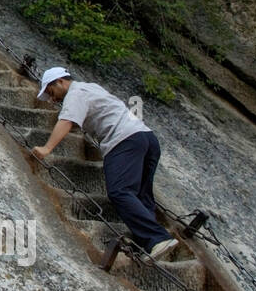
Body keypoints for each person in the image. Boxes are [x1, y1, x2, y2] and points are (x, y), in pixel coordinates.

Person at [32, 67, 180, 262]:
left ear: (60, 81)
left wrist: (47, 148)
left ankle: (158, 238)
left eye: (51, 92)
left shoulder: (75, 94)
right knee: (141, 195)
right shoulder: (90, 88)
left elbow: (66, 120)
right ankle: (150, 244)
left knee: (120, 191)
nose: (52, 99)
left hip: (123, 141)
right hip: (146, 138)